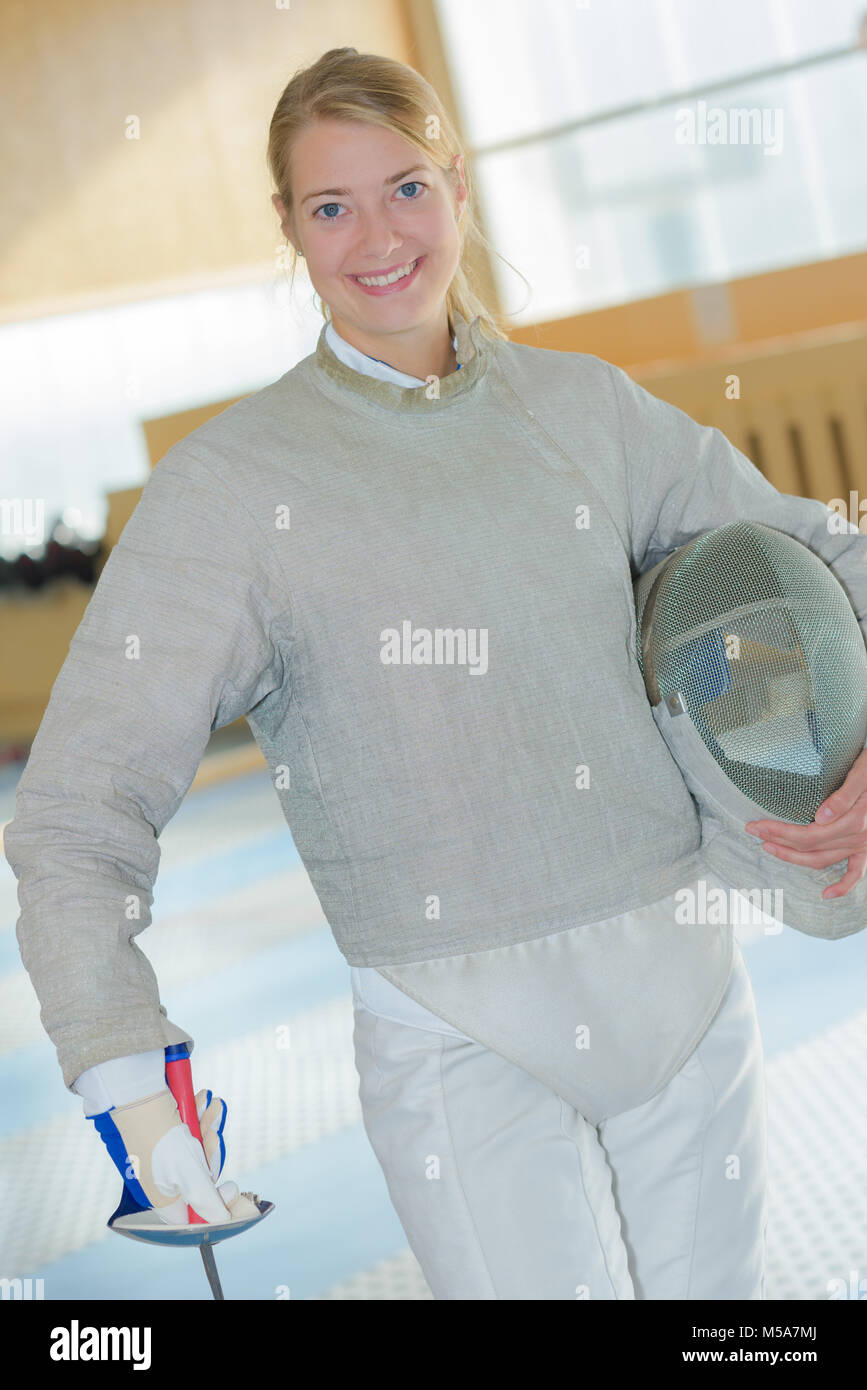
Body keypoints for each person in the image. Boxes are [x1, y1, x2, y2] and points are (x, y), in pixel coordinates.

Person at [6, 47, 867, 1300]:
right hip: (457, 1032)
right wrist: (124, 1076)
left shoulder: (591, 413)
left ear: (458, 184)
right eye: (330, 206)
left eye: (406, 187)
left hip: (682, 987)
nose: (377, 238)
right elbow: (79, 808)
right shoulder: (234, 490)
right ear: (290, 231)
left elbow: (824, 560)